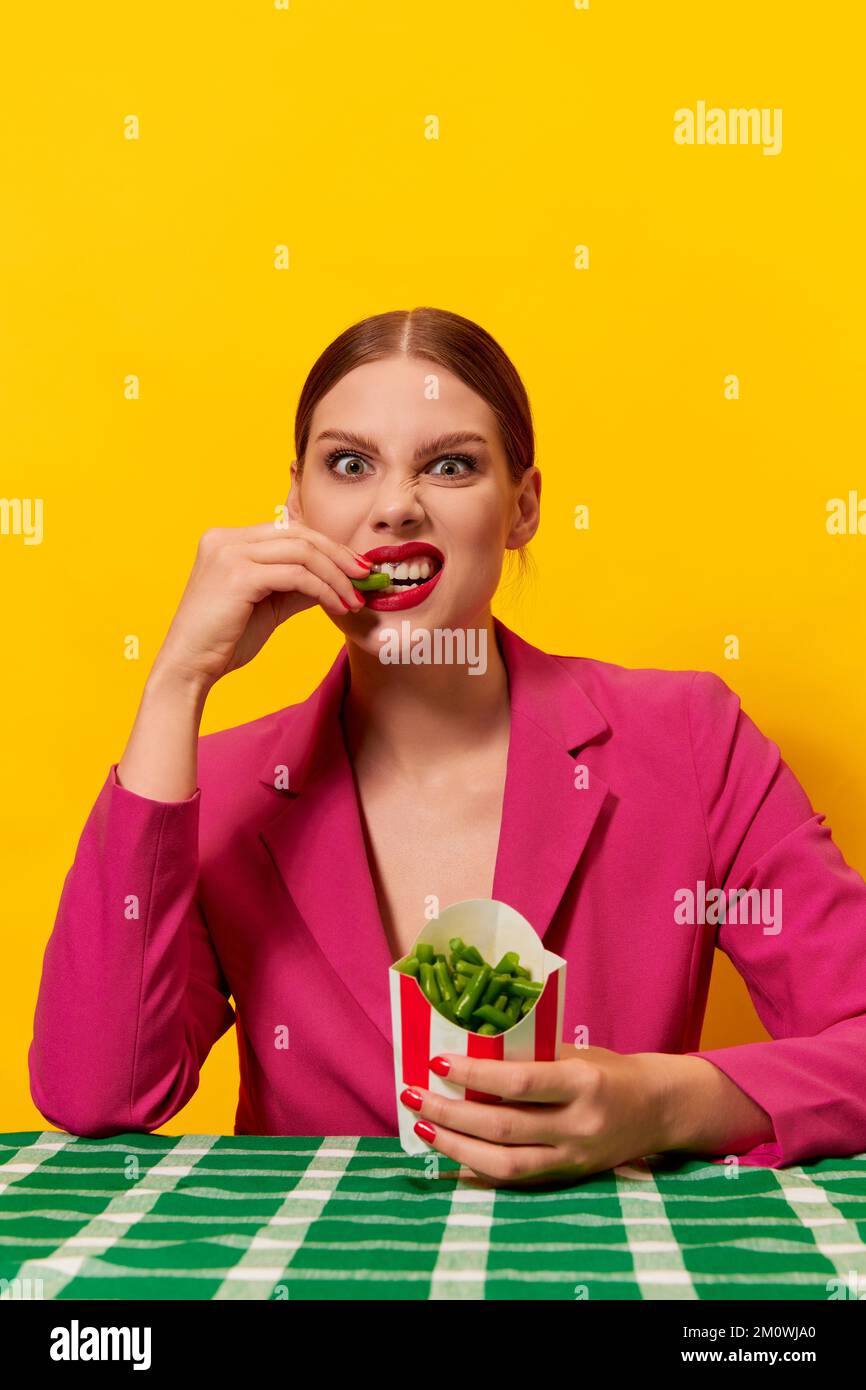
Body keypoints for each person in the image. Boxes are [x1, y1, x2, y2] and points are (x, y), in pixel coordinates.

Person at [28, 307, 866, 1186]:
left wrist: (662, 1102)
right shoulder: (228, 786)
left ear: (523, 508)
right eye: (350, 465)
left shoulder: (689, 740)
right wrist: (174, 686)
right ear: (296, 506)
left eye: (451, 464)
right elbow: (95, 1094)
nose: (395, 506)